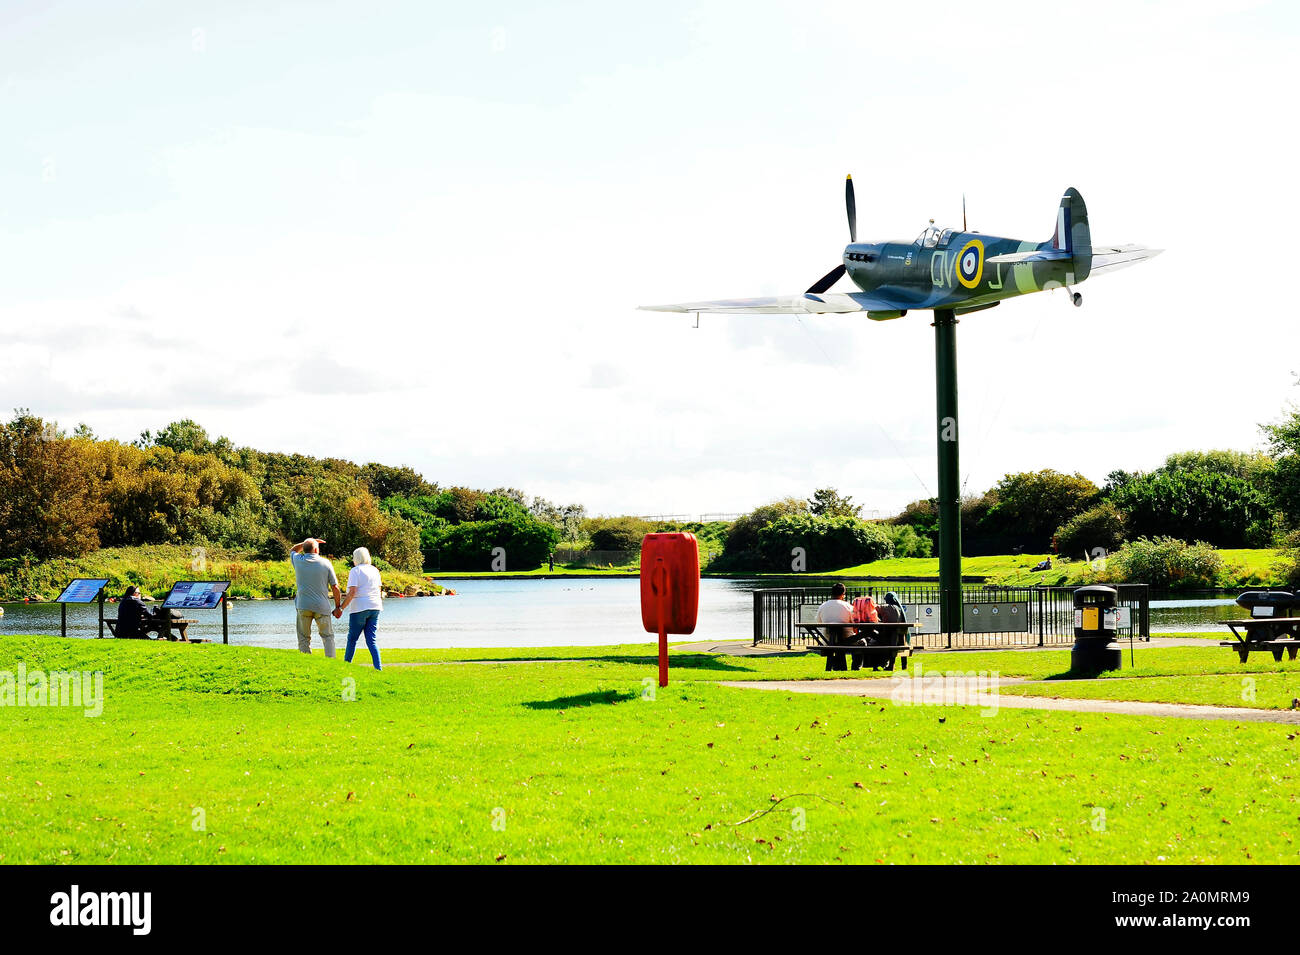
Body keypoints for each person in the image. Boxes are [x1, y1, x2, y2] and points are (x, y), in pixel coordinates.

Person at [290, 537, 342, 657]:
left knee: (303, 637)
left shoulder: (298, 560)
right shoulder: (326, 563)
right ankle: (331, 661)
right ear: (316, 550)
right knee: (327, 637)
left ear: (304, 549)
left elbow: (293, 550)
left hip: (303, 605)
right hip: (322, 606)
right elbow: (335, 587)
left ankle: (306, 661)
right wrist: (338, 607)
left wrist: (306, 542)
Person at [340, 546, 384, 670]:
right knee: (371, 640)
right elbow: (379, 590)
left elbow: (352, 592)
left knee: (352, 639)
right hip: (375, 606)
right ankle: (378, 668)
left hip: (359, 607)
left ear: (356, 558)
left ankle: (346, 665)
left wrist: (341, 608)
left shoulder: (355, 571)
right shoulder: (375, 570)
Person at [815, 583, 856, 671]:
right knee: (862, 642)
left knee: (835, 642)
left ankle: (835, 666)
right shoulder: (847, 606)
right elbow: (854, 622)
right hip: (847, 640)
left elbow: (818, 622)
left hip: (827, 640)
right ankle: (855, 667)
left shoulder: (823, 606)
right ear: (843, 594)